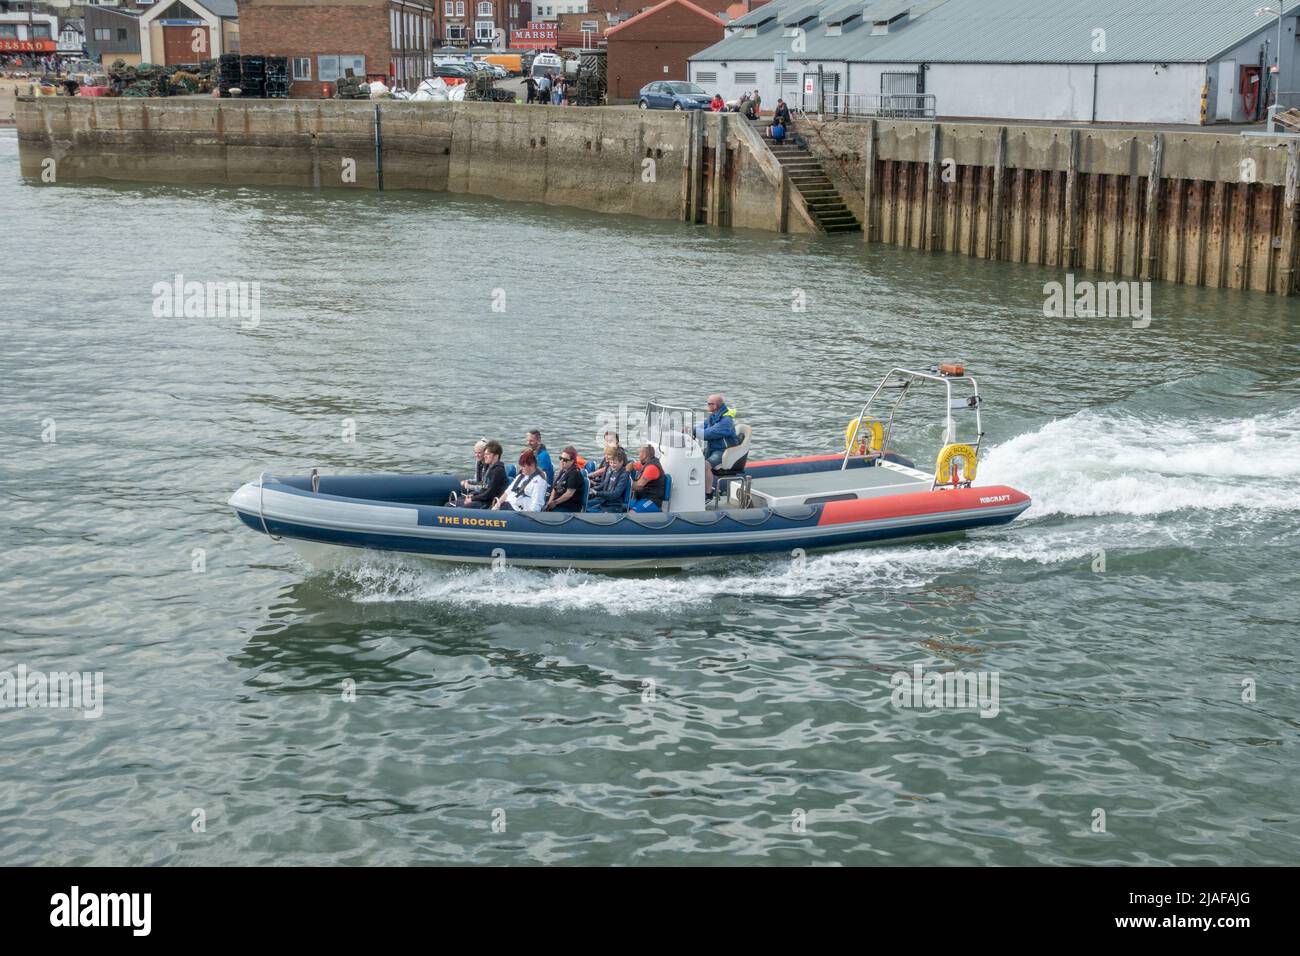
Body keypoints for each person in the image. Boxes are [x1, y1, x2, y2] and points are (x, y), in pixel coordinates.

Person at [691, 394, 741, 496]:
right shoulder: (713, 416)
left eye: (710, 404)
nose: (708, 405)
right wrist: (690, 428)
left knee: (705, 465)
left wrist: (694, 431)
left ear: (717, 405)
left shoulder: (726, 421)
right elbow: (703, 426)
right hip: (713, 448)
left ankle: (708, 494)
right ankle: (697, 488)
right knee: (695, 460)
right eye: (708, 403)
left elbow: (708, 434)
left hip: (724, 450)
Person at [459, 440, 507, 508]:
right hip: (483, 499)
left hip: (488, 503)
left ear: (496, 456)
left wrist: (473, 499)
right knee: (456, 501)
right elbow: (484, 487)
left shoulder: (498, 471)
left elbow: (489, 493)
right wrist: (473, 495)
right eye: (485, 454)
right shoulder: (491, 468)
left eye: (487, 454)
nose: (485, 456)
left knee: (460, 507)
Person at [626, 444, 667, 512]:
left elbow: (639, 485)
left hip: (651, 500)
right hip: (641, 498)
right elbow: (631, 465)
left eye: (639, 453)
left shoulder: (652, 468)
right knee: (623, 507)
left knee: (631, 513)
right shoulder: (644, 464)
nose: (638, 455)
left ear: (644, 455)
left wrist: (626, 484)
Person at [545, 446, 585, 511]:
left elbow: (569, 494)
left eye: (565, 460)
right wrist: (550, 501)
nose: (562, 461)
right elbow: (555, 488)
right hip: (558, 503)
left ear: (572, 461)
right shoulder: (563, 471)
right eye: (561, 458)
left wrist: (555, 503)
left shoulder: (575, 474)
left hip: (569, 506)